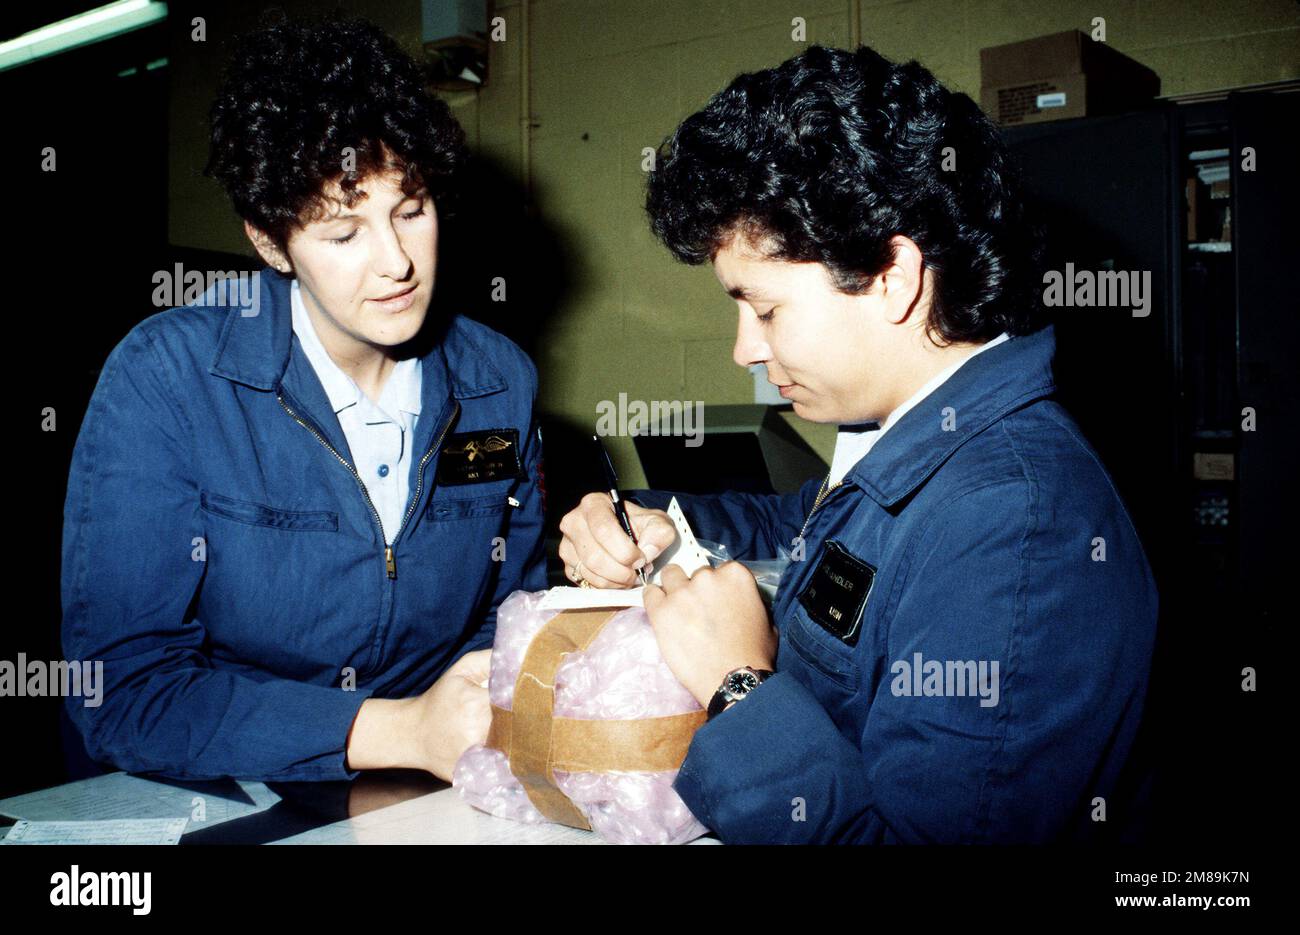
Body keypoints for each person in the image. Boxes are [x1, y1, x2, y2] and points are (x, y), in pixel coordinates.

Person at [558, 45, 1157, 843]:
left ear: (892, 276)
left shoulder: (1016, 526)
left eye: (764, 310)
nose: (746, 349)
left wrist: (738, 687)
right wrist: (654, 527)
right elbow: (805, 532)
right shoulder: (910, 440)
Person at [60, 17, 546, 783]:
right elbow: (124, 694)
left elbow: (511, 612)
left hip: (434, 788)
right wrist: (399, 730)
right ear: (269, 241)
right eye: (343, 232)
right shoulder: (167, 379)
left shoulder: (500, 382)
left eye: (412, 209)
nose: (397, 264)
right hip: (219, 790)